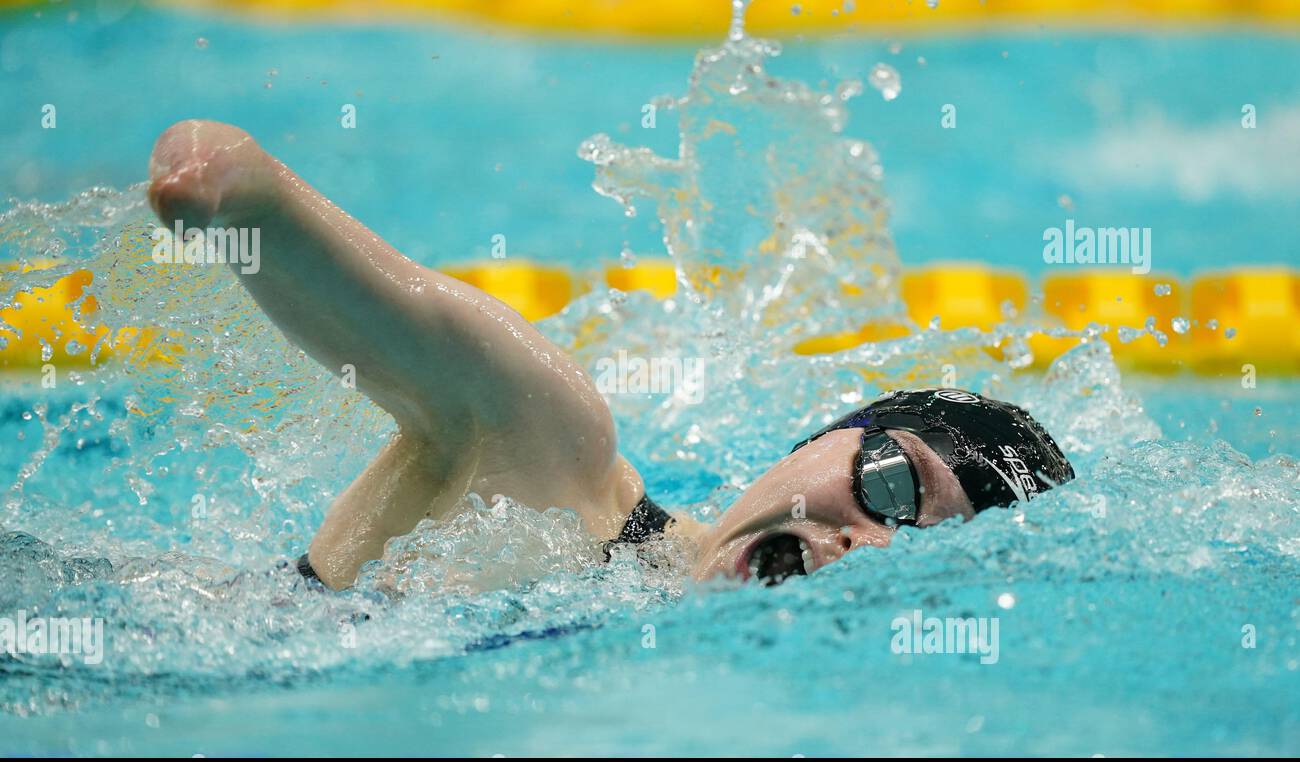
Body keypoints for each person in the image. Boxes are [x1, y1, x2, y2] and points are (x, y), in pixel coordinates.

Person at [147, 120, 1074, 590]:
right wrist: (234, 187)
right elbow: (397, 310)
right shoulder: (554, 465)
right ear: (825, 437)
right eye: (892, 486)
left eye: (916, 559)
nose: (864, 543)